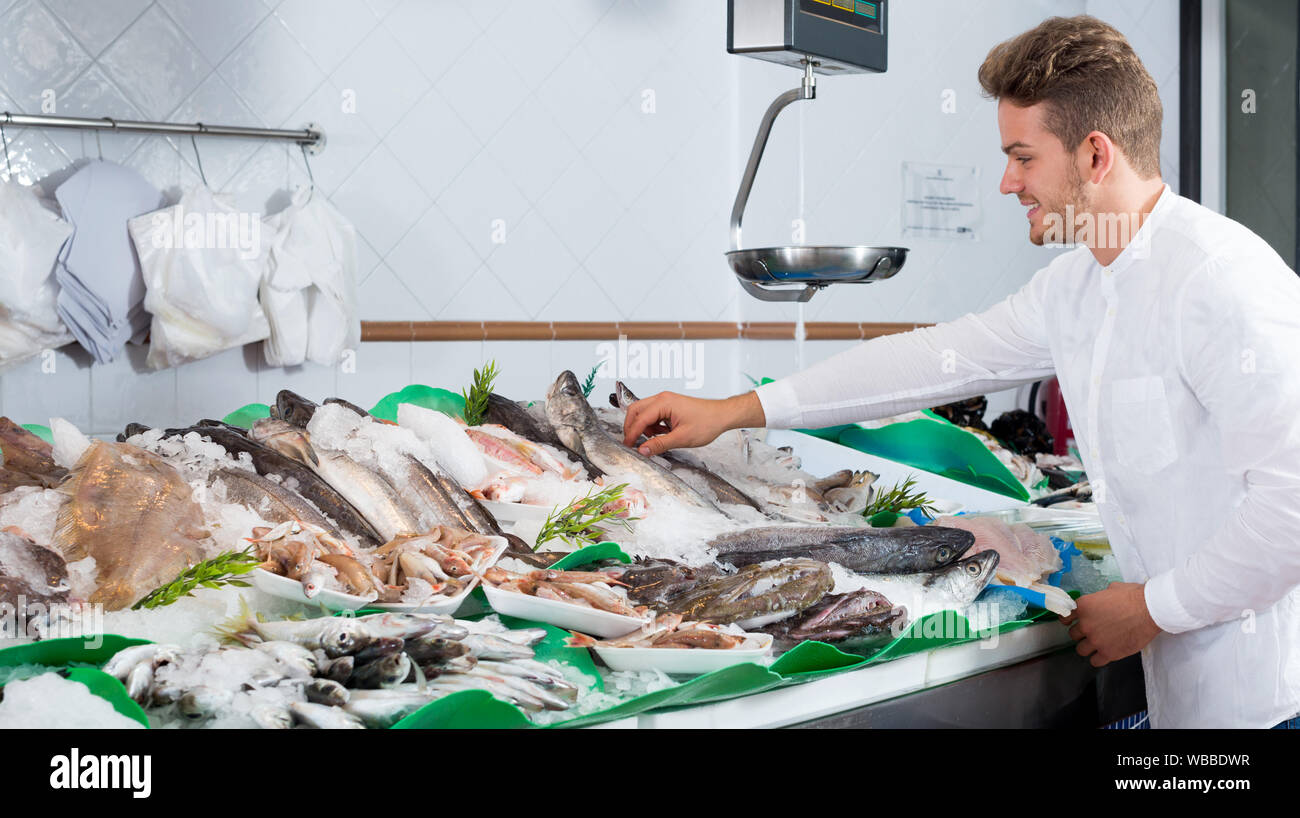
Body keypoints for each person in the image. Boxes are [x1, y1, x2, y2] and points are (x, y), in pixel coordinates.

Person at [622, 16, 1300, 729]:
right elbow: (924, 361)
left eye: (1023, 157)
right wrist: (736, 411)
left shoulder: (1220, 281)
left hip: (1272, 703)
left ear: (1095, 155)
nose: (1008, 182)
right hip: (1183, 705)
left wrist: (1155, 607)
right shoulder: (1076, 286)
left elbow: (1293, 507)